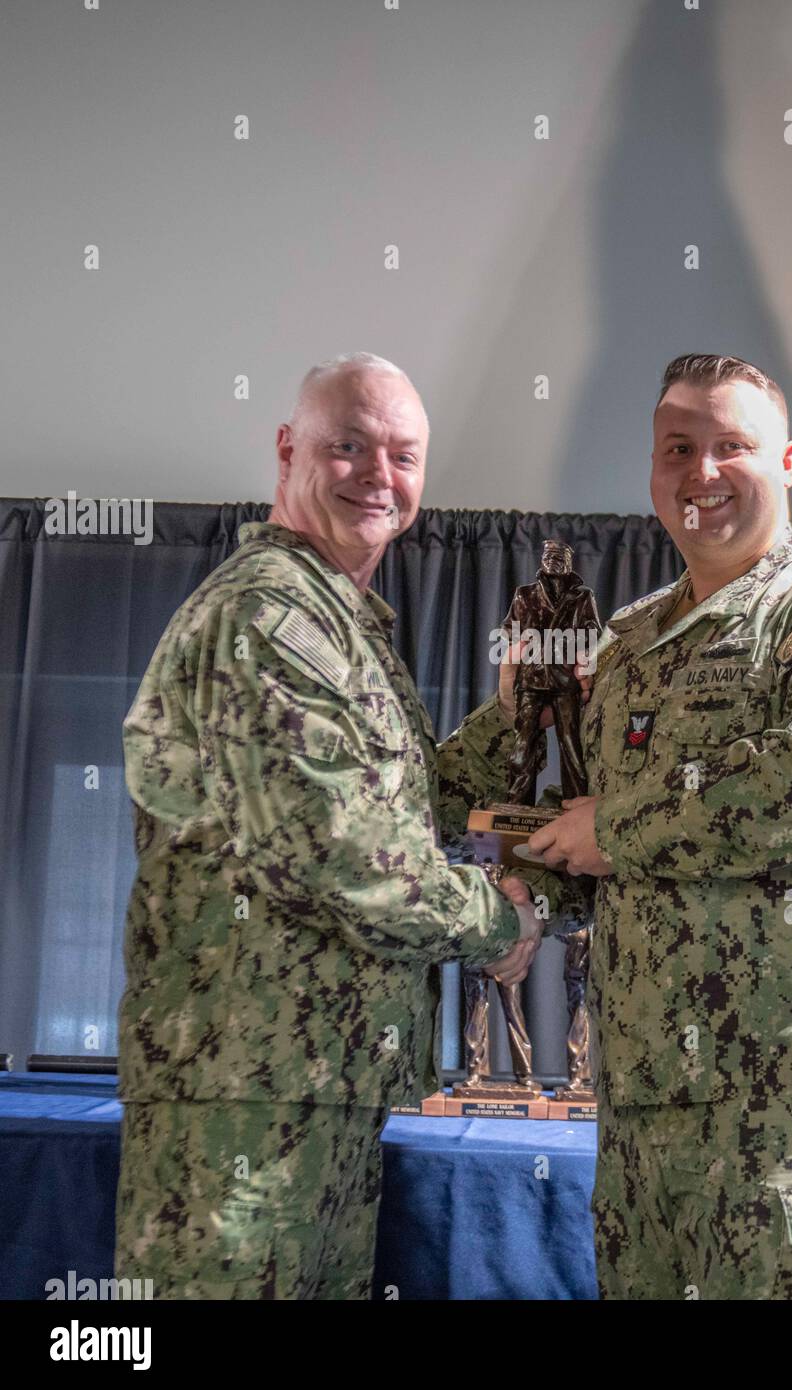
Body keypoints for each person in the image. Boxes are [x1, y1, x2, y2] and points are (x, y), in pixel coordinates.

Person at [115, 351, 542, 1300]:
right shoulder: (267, 616)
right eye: (348, 446)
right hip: (245, 1096)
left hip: (314, 1082)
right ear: (287, 450)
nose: (377, 477)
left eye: (402, 456)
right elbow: (342, 856)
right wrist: (502, 923)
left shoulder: (340, 621)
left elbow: (399, 808)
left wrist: (515, 718)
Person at [527, 353, 792, 1299]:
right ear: (653, 470)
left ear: (787, 461)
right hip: (647, 1107)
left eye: (730, 447)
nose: (701, 473)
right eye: (679, 449)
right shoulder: (628, 643)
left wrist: (616, 832)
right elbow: (585, 823)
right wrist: (525, 876)